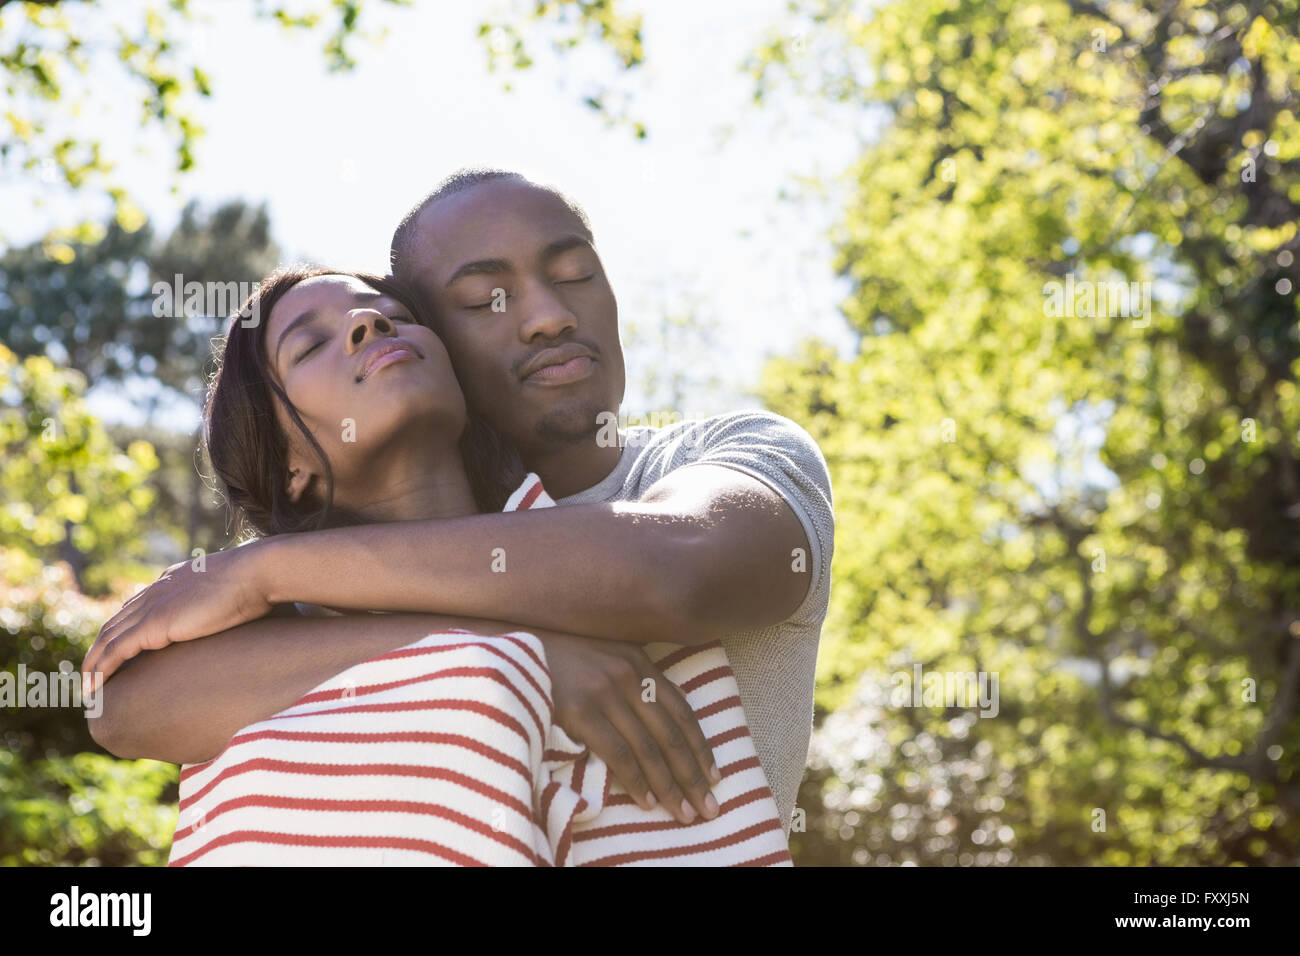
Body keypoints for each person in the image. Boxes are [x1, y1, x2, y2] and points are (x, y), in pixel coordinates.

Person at [84, 169, 834, 836]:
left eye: (576, 273)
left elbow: (674, 571)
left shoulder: (729, 455)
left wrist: (264, 572)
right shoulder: (306, 584)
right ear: (443, 344)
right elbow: (124, 702)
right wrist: (520, 654)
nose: (548, 316)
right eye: (484, 299)